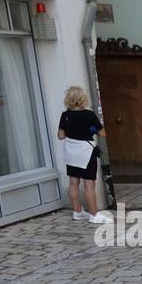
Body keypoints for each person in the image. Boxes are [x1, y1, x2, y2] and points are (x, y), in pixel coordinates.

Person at [57, 86, 108, 223]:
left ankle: (78, 212)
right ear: (82, 99)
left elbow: (61, 136)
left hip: (71, 153)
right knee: (89, 184)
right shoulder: (89, 115)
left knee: (73, 183)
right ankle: (94, 215)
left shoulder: (65, 115)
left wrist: (72, 130)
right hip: (86, 152)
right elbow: (103, 133)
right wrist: (92, 129)